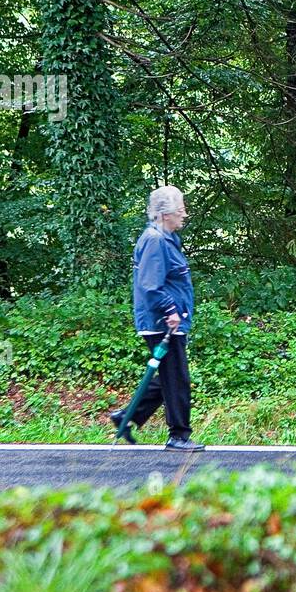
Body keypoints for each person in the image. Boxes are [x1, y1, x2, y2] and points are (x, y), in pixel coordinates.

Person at [109, 185, 204, 451]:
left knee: (168, 377)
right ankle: (179, 436)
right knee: (176, 379)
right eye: (180, 209)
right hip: (161, 321)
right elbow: (150, 284)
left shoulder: (167, 238)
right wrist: (170, 311)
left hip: (169, 319)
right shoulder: (155, 241)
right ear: (165, 214)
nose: (184, 214)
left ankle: (127, 416)